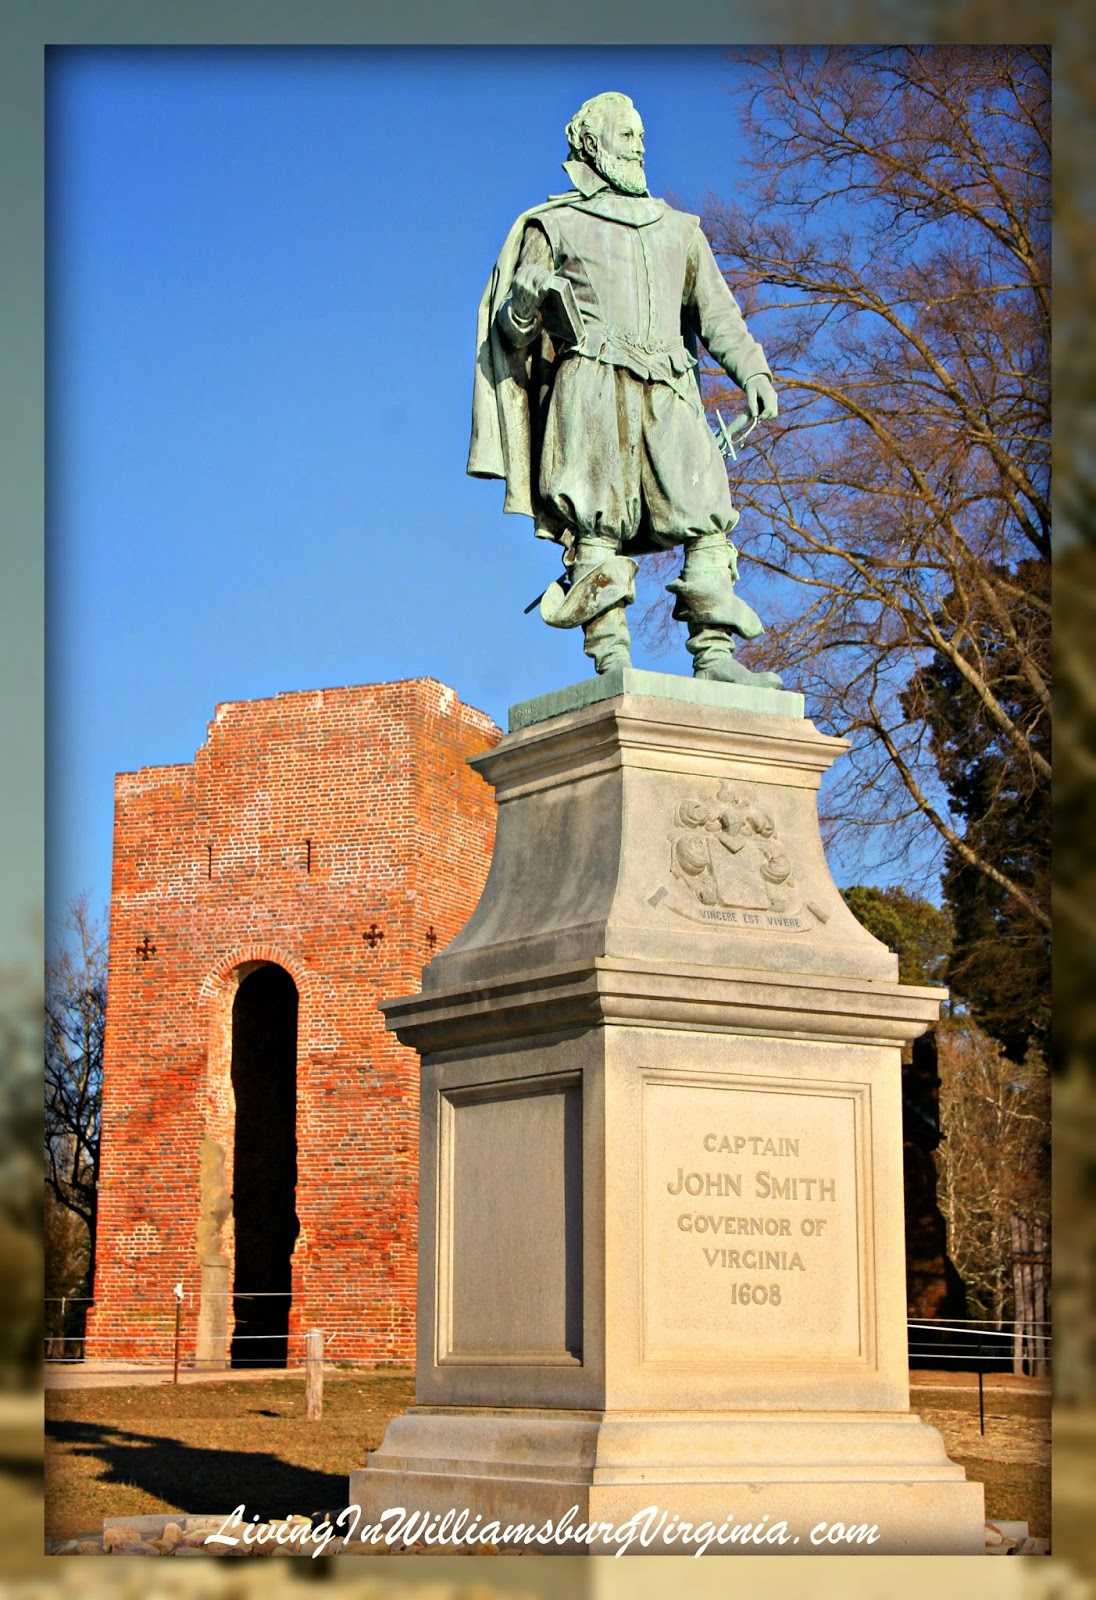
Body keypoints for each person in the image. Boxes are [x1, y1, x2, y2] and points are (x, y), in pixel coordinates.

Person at [468, 90, 782, 687]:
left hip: (669, 389)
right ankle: (611, 655)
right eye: (626, 135)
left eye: (641, 136)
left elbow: (718, 313)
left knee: (707, 511)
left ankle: (714, 655)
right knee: (596, 521)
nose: (639, 146)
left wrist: (753, 371)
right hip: (589, 389)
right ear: (592, 145)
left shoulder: (680, 231)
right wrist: (524, 305)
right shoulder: (553, 225)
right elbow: (512, 333)